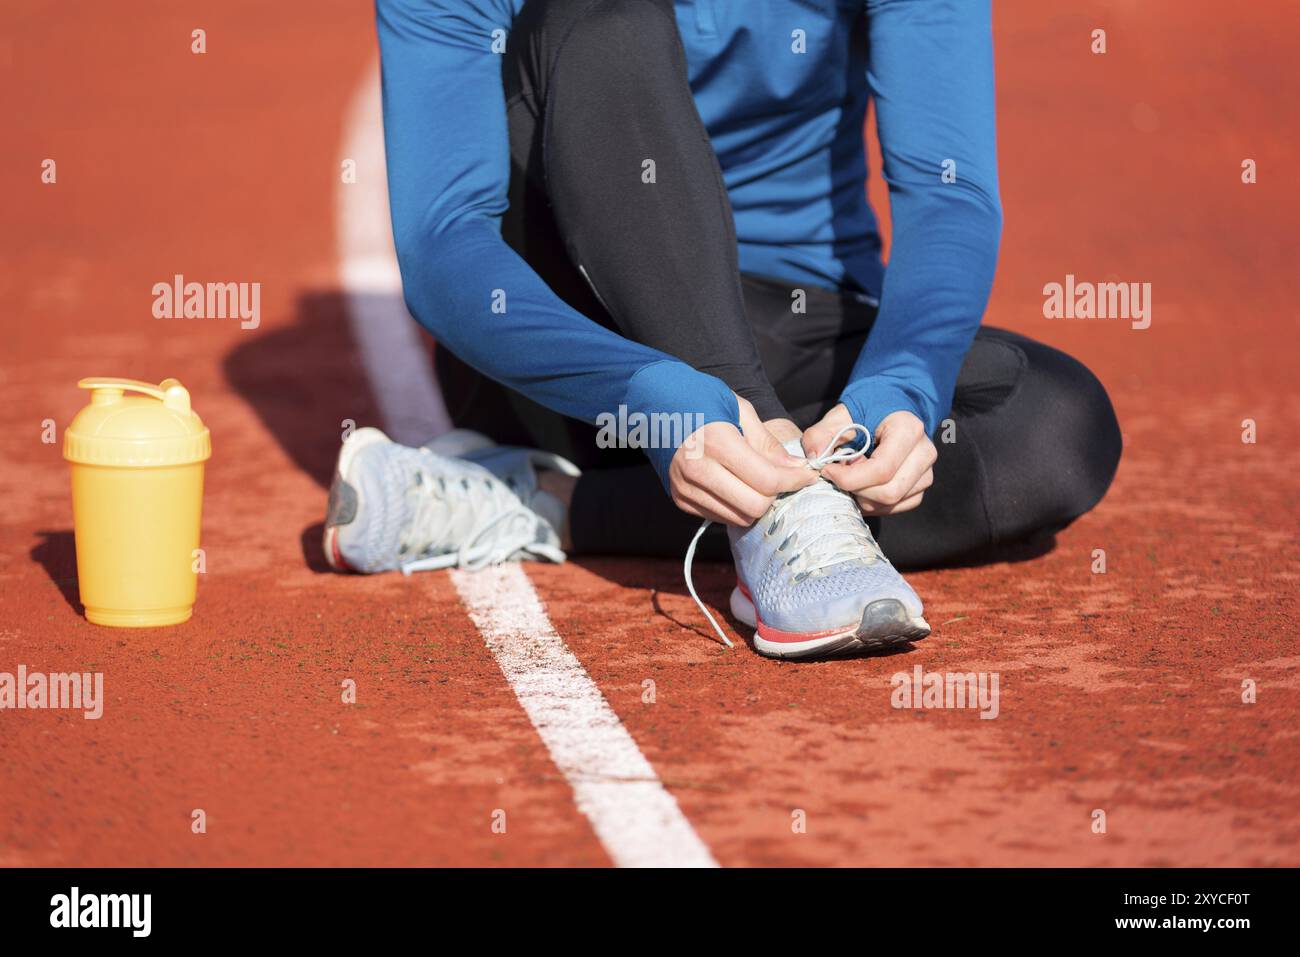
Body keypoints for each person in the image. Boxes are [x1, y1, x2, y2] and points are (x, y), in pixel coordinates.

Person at [322, 0, 1121, 659]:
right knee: (605, 17)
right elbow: (443, 243)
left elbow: (949, 194)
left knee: (1057, 427)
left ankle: (553, 502)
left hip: (792, 317)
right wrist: (646, 392)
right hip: (577, 360)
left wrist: (903, 384)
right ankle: (776, 503)